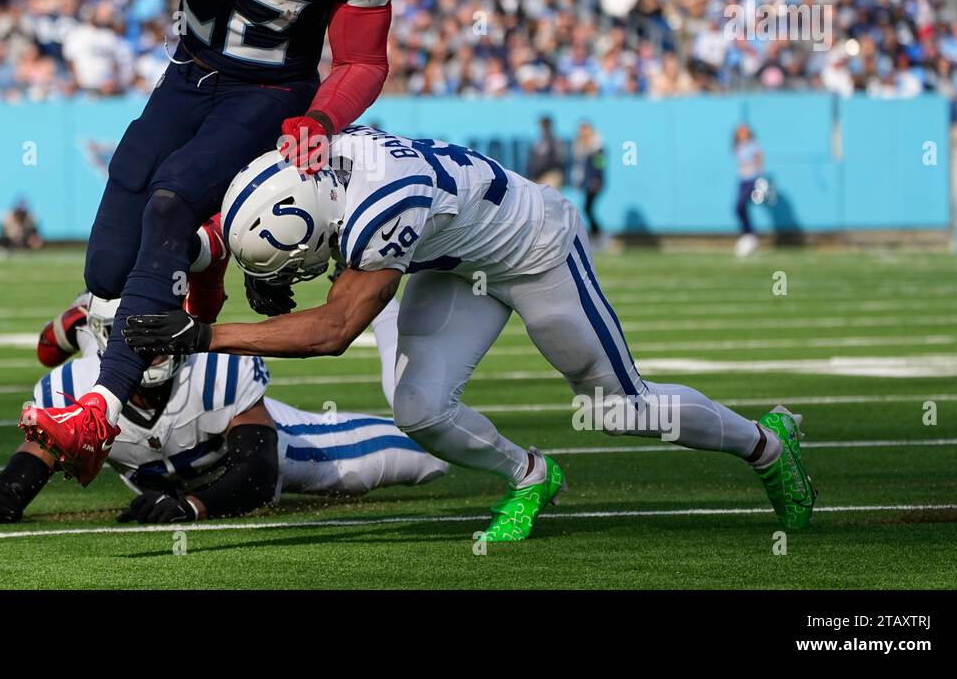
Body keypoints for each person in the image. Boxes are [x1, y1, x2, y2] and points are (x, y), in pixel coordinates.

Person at [123, 126, 817, 542]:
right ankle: (530, 476)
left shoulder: (378, 208)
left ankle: (765, 446)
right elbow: (256, 227)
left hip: (535, 250)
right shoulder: (310, 164)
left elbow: (331, 331)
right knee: (418, 408)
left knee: (618, 407)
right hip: (453, 260)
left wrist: (203, 334)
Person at [25, 0, 418, 484]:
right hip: (187, 73)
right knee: (112, 252)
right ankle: (160, 303)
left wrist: (321, 118)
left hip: (267, 93)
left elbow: (362, 62)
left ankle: (103, 405)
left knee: (174, 197)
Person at [0, 290, 444, 524]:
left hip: (277, 449)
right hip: (176, 473)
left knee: (430, 454)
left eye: (159, 331)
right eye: (137, 335)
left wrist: (191, 507)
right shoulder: (74, 385)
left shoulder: (214, 368)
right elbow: (33, 458)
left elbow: (259, 475)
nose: (153, 347)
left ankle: (385, 313)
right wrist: (5, 493)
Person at [571, 120, 606, 242]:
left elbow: (600, 164)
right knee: (587, 208)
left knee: (587, 208)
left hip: (594, 182)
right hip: (586, 183)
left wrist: (597, 179)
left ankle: (599, 234)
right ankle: (596, 234)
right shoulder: (581, 146)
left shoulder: (597, 146)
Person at [733, 123, 764, 257]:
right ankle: (748, 233)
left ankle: (750, 234)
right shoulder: (738, 146)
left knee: (743, 204)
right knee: (739, 207)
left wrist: (759, 177)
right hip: (743, 180)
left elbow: (759, 159)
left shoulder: (753, 144)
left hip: (752, 180)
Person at [526, 116, 567, 188]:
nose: (543, 128)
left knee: (550, 198)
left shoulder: (556, 141)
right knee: (539, 198)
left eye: (545, 125)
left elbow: (561, 160)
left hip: (551, 175)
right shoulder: (539, 141)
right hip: (538, 177)